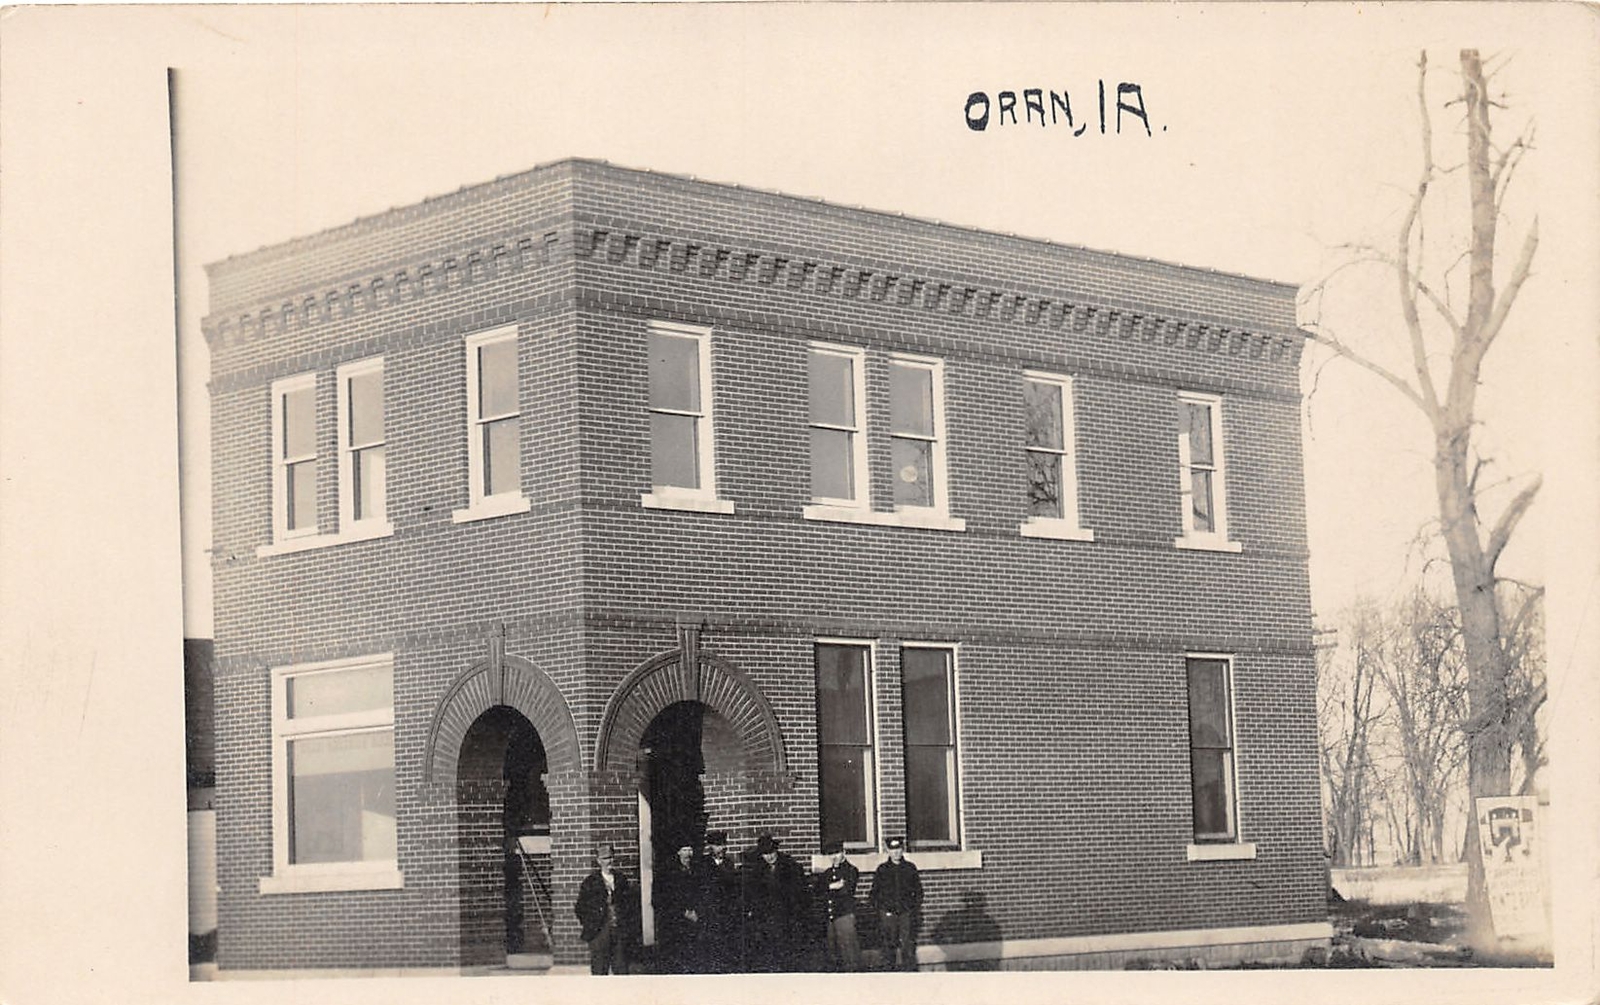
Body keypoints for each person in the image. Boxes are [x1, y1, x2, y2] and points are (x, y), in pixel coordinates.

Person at [741, 833, 806, 972]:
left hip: (786, 919)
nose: (769, 857)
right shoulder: (757, 871)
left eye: (771, 853)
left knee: (787, 955)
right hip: (766, 921)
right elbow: (753, 895)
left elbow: (799, 895)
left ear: (776, 850)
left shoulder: (791, 868)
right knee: (768, 954)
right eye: (765, 854)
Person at [574, 844, 637, 975]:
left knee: (621, 970)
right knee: (600, 971)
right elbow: (580, 908)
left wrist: (626, 926)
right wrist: (592, 925)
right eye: (605, 858)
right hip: (600, 933)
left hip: (619, 933)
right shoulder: (590, 882)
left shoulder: (621, 879)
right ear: (598, 861)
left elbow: (630, 905)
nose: (609, 861)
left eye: (611, 857)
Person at [870, 836, 922, 972]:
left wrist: (911, 909)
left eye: (898, 849)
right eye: (893, 850)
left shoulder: (910, 868)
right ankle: (890, 976)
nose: (896, 852)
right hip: (888, 916)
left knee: (907, 947)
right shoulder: (882, 870)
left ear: (902, 849)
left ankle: (909, 975)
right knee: (888, 948)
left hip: (906, 914)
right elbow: (874, 894)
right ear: (888, 851)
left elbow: (918, 892)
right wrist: (883, 911)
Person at [653, 837, 703, 973]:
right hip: (674, 925)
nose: (688, 854)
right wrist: (683, 912)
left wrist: (698, 912)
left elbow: (703, 893)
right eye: (684, 850)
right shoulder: (666, 873)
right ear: (678, 852)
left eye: (690, 850)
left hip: (694, 922)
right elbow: (659, 900)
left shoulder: (697, 870)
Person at [697, 830, 742, 972]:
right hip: (709, 913)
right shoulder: (702, 864)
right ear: (710, 847)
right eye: (717, 845)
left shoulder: (728, 863)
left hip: (726, 914)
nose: (721, 848)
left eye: (723, 845)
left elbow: (733, 888)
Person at [814, 839, 861, 971]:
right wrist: (831, 886)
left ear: (843, 853)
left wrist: (828, 889)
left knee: (849, 954)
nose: (834, 857)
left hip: (844, 916)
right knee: (833, 954)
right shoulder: (827, 873)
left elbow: (846, 891)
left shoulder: (851, 870)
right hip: (830, 918)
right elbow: (817, 891)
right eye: (830, 854)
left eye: (837, 853)